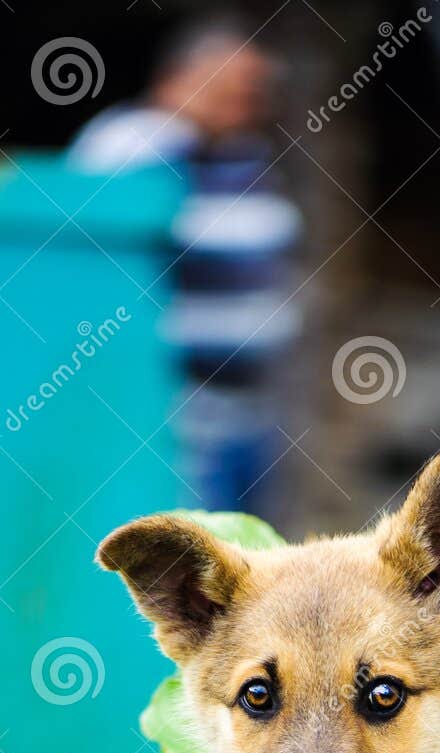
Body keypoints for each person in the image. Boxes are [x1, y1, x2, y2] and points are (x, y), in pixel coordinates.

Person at [70, 19, 300, 519]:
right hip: (172, 420)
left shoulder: (243, 155)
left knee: (250, 555)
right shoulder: (130, 145)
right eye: (229, 87)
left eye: (254, 91)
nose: (246, 103)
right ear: (179, 77)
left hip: (249, 415)